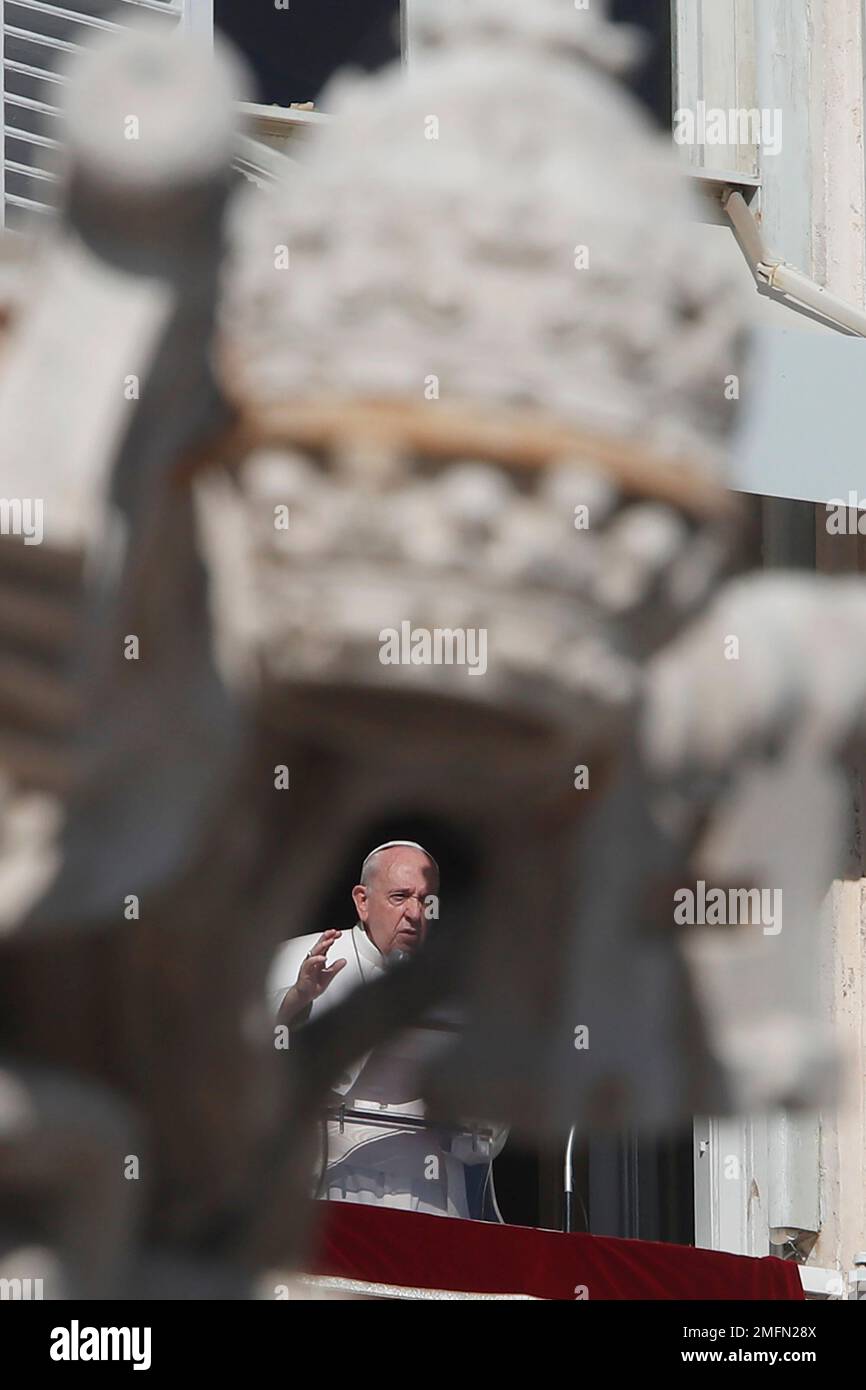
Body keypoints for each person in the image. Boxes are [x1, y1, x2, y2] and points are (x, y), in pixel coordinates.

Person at [267, 840, 506, 1218]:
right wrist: (296, 1001)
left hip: (428, 1192)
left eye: (426, 901)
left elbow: (491, 1120)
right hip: (327, 1183)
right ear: (362, 900)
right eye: (399, 897)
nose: (414, 913)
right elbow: (247, 1074)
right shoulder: (296, 958)